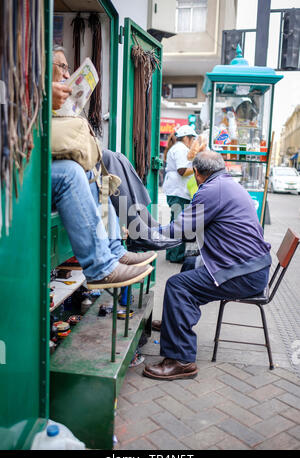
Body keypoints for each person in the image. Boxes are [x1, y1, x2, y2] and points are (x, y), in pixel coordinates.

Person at [144, 150, 272, 380]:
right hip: (253, 267)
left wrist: (145, 235)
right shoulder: (226, 184)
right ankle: (174, 326)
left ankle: (181, 360)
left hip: (244, 273)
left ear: (196, 173)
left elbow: (182, 229)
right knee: (190, 264)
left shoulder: (212, 191)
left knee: (177, 286)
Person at [51, 45, 157, 288]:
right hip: (26, 171)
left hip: (41, 166)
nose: (67, 74)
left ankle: (115, 250)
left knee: (96, 171)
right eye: (62, 67)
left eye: (68, 68)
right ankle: (101, 267)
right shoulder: (26, 90)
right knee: (72, 173)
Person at [162, 125, 197, 263]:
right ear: (186, 138)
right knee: (180, 224)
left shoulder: (179, 148)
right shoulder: (180, 149)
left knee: (175, 222)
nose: (193, 141)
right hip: (178, 192)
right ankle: (176, 256)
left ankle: (172, 254)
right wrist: (197, 168)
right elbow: (182, 171)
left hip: (178, 191)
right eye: (192, 138)